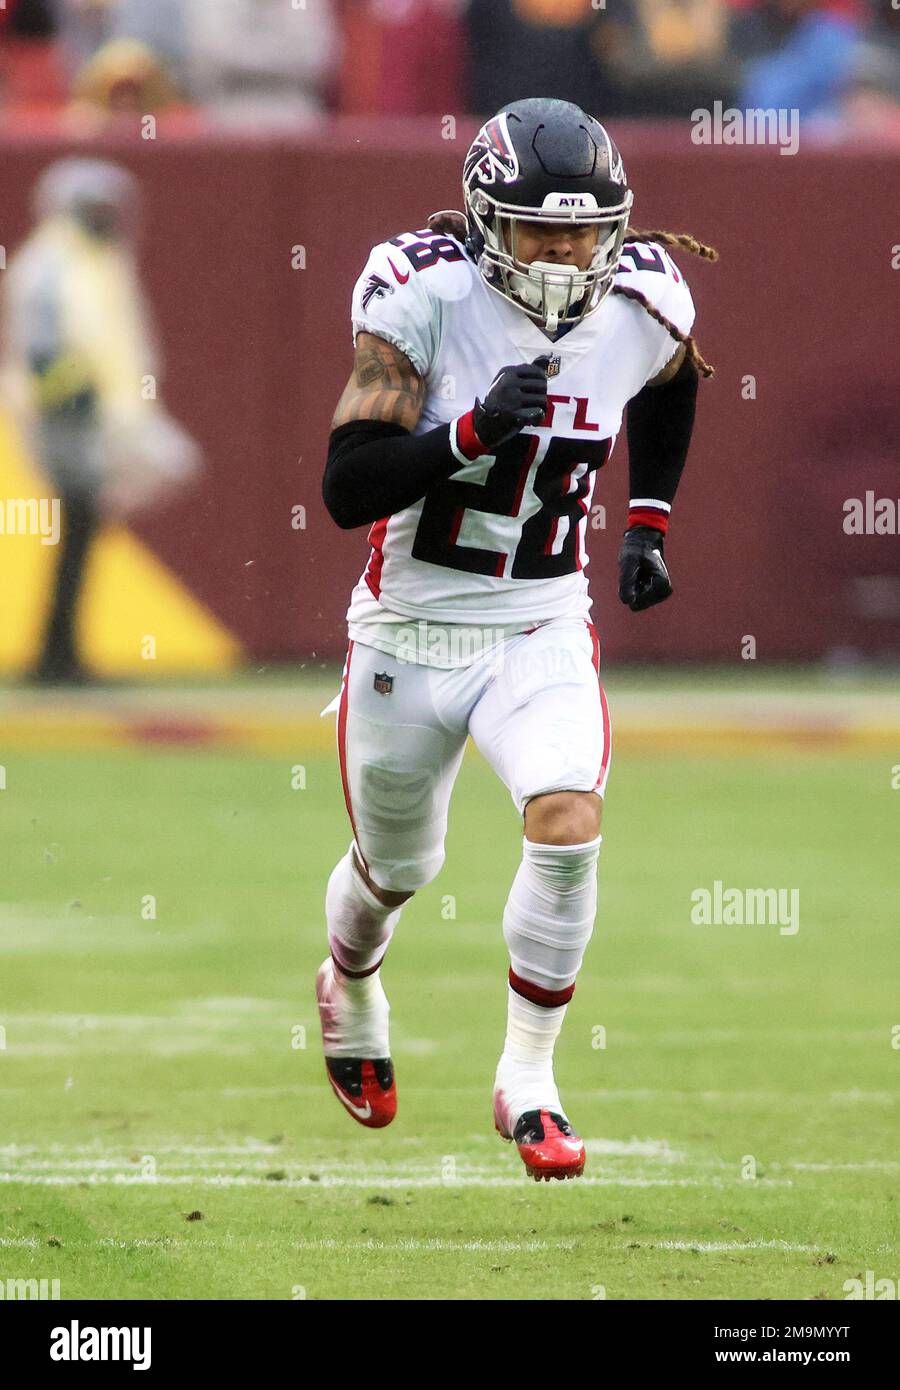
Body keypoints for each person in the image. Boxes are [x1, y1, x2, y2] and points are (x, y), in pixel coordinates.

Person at [318, 98, 716, 1180]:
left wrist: (649, 521)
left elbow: (672, 385)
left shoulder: (644, 296)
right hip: (410, 623)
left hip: (539, 620)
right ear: (486, 218)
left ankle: (529, 1081)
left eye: (587, 231)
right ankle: (351, 982)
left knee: (567, 812)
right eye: (542, 228)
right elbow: (346, 488)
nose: (567, 252)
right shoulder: (423, 292)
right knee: (396, 870)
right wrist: (471, 430)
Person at [0, 158, 199, 683]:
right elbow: (43, 355)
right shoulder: (51, 265)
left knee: (85, 532)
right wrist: (80, 401)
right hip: (69, 420)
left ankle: (59, 652)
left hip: (101, 418)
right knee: (79, 531)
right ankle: (56, 655)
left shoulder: (94, 259)